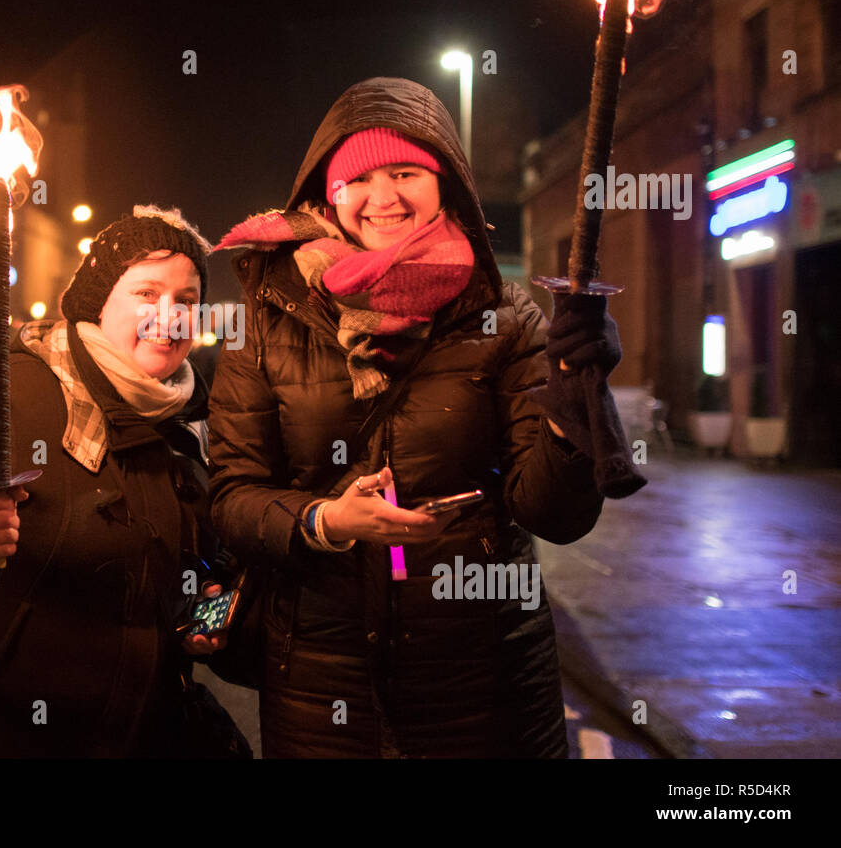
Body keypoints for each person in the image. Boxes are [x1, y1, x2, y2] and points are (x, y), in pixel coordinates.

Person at [209, 77, 641, 758]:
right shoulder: (268, 314)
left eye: (406, 172)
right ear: (330, 192)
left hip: (483, 679)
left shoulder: (504, 314)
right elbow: (232, 496)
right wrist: (323, 522)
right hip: (325, 684)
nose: (384, 197)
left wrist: (572, 399)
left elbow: (555, 516)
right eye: (361, 179)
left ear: (447, 183)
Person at [0, 207, 244, 757]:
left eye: (187, 300)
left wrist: (202, 614)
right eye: (147, 293)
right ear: (99, 304)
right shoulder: (10, 395)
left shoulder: (190, 422)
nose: (170, 315)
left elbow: (196, 565)